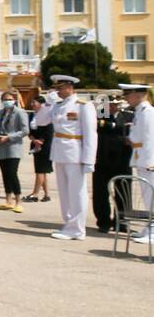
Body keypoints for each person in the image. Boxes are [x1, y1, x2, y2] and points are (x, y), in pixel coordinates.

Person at [32, 74, 97, 241]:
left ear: (70, 87)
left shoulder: (83, 106)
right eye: (56, 88)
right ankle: (69, 224)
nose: (58, 91)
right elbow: (40, 121)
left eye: (60, 88)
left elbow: (91, 134)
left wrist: (89, 159)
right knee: (65, 192)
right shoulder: (56, 106)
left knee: (77, 192)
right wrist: (47, 104)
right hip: (60, 152)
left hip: (75, 153)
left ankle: (77, 228)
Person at [93, 95, 133, 234]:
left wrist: (115, 126)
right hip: (103, 160)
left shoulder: (128, 116)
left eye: (115, 104)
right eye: (109, 104)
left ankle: (121, 222)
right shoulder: (100, 117)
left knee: (123, 192)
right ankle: (103, 222)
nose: (112, 106)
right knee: (100, 193)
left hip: (123, 160)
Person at [119, 83, 152, 244]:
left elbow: (151, 139)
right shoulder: (140, 112)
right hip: (141, 157)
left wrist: (150, 161)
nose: (126, 98)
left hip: (147, 159)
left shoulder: (148, 112)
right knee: (147, 196)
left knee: (152, 196)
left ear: (139, 95)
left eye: (128, 94)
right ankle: (150, 226)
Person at [0, 91, 29, 213]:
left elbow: (25, 130)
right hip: (1, 147)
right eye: (5, 99)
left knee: (12, 173)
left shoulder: (19, 112)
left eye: (10, 99)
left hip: (13, 147)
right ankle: (8, 201)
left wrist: (10, 137)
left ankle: (18, 201)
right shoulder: (1, 113)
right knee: (5, 174)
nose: (8, 101)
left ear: (14, 99)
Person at [25, 95, 53, 203]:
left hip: (45, 146)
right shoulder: (32, 115)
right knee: (42, 171)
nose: (32, 105)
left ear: (41, 104)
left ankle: (35, 194)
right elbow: (30, 131)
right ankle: (47, 195)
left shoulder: (47, 116)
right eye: (32, 103)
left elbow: (49, 132)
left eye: (34, 103)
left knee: (40, 171)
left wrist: (40, 142)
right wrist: (33, 140)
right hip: (35, 145)